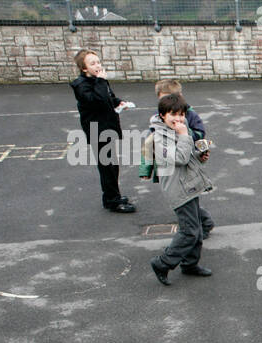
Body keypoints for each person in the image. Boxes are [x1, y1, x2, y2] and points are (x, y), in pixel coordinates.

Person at [149, 93, 215, 285]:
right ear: (162, 115)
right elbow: (179, 159)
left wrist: (199, 155)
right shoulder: (159, 137)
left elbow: (186, 155)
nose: (178, 119)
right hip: (178, 191)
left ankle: (190, 264)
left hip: (189, 186)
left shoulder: (174, 132)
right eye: (173, 115)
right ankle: (162, 263)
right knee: (189, 231)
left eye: (181, 115)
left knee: (196, 228)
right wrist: (185, 136)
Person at [70, 48, 135, 213]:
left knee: (112, 164)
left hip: (107, 126)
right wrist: (100, 81)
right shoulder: (81, 85)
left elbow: (108, 97)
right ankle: (113, 200)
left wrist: (119, 102)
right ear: (84, 69)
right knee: (107, 166)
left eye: (98, 62)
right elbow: (96, 101)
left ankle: (112, 196)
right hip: (97, 129)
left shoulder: (99, 81)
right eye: (92, 63)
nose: (98, 65)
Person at [153, 78, 213, 239]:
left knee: (189, 202)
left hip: (186, 164)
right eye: (163, 98)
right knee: (187, 203)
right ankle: (201, 227)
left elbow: (199, 133)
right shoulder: (160, 119)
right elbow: (152, 144)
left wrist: (185, 136)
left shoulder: (188, 115)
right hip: (173, 170)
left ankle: (203, 226)